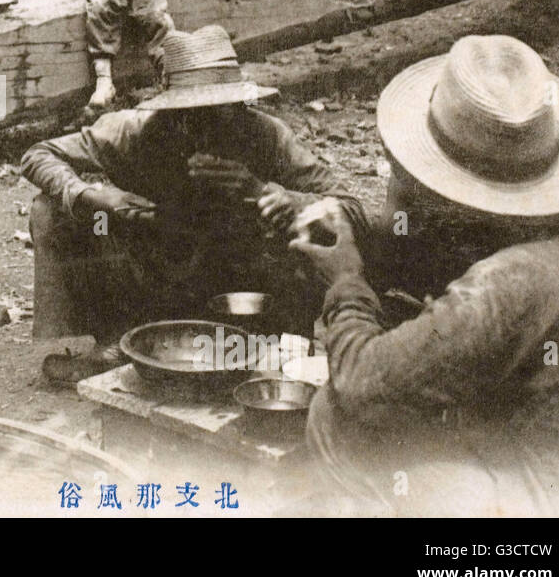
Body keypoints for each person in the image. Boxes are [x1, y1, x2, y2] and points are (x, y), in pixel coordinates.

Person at [289, 35, 559, 517]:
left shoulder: (510, 283)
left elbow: (363, 383)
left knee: (337, 418)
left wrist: (346, 283)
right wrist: (359, 226)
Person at [22, 25, 367, 383]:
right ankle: (116, 339)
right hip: (161, 268)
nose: (205, 127)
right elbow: (38, 155)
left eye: (219, 112)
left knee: (313, 230)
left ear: (238, 104)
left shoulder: (267, 136)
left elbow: (352, 209)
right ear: (170, 111)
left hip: (246, 286)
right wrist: (96, 196)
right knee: (52, 210)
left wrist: (277, 196)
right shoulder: (138, 132)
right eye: (190, 114)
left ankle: (279, 348)